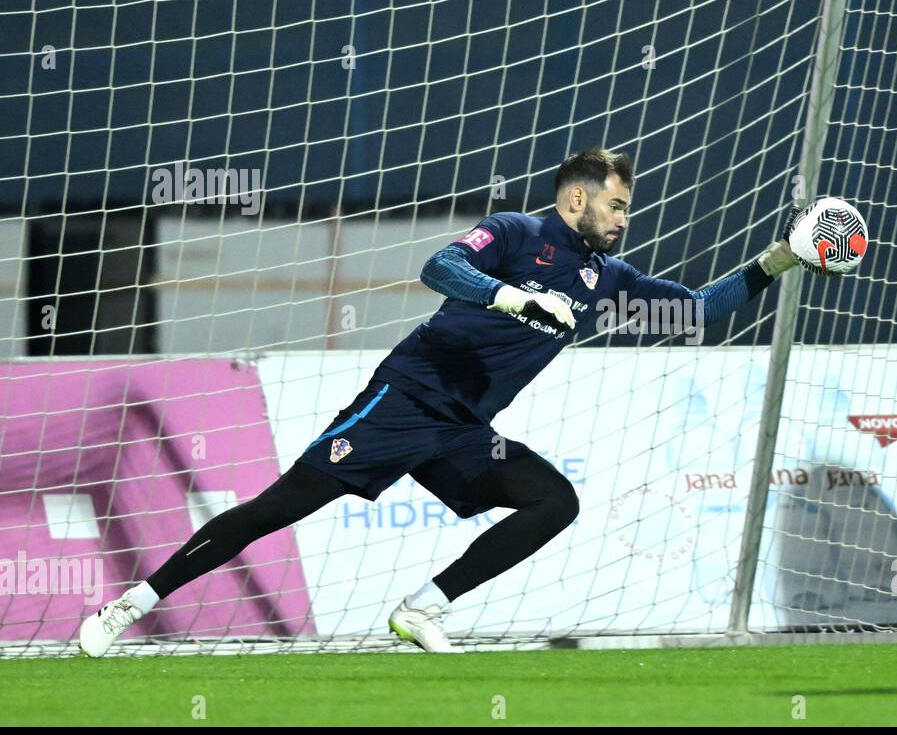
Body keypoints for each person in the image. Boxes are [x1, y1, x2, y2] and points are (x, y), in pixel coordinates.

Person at [79, 147, 805, 656]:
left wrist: (777, 260)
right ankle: (131, 605)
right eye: (615, 206)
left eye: (628, 209)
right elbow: (440, 266)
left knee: (553, 501)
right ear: (576, 198)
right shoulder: (517, 233)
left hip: (464, 430)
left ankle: (423, 606)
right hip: (406, 400)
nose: (623, 220)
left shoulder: (609, 277)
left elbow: (698, 309)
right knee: (275, 510)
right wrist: (512, 296)